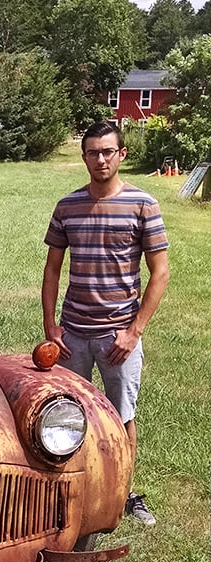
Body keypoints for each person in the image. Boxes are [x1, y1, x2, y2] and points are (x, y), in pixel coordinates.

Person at [42, 120, 170, 525]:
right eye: (93, 152)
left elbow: (160, 272)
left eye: (108, 152)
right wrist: (51, 326)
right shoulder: (67, 206)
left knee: (121, 416)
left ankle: (123, 493)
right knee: (64, 413)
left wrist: (134, 332)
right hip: (73, 335)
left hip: (118, 336)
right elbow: (52, 270)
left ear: (121, 155)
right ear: (84, 157)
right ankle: (68, 491)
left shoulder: (142, 204)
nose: (100, 159)